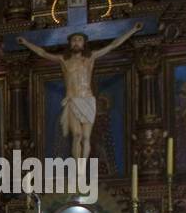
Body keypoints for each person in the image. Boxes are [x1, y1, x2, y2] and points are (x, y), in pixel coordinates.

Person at [17, 22, 142, 163]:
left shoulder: (90, 58)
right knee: (77, 135)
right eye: (74, 40)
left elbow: (113, 45)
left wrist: (133, 30)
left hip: (88, 99)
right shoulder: (63, 60)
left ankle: (82, 168)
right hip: (73, 100)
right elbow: (42, 52)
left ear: (84, 43)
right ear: (70, 43)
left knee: (87, 137)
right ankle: (78, 167)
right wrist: (26, 42)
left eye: (79, 40)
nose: (76, 42)